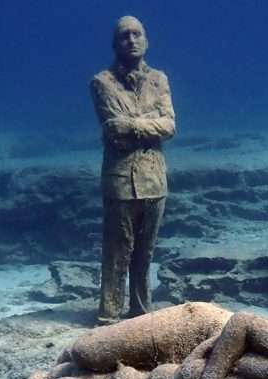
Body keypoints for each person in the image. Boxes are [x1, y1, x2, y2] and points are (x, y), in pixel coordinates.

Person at [90, 15, 176, 325]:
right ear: (115, 44)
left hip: (154, 180)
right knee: (116, 254)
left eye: (137, 34)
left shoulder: (159, 80)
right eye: (124, 36)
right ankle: (109, 318)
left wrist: (134, 124)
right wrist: (149, 124)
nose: (131, 40)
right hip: (121, 182)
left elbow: (170, 126)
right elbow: (113, 129)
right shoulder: (102, 82)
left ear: (147, 40)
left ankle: (141, 314)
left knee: (145, 254)